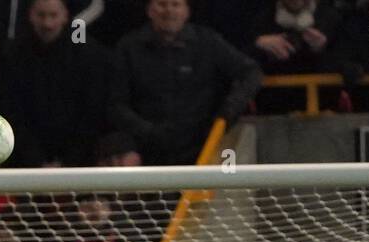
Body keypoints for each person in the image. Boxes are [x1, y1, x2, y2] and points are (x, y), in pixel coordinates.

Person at [108, 0, 262, 165]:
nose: (169, 11)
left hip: (202, 147)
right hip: (145, 151)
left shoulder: (208, 42)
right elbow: (116, 103)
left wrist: (228, 111)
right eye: (162, 4)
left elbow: (250, 72)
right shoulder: (128, 48)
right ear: (150, 11)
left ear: (187, 11)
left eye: (176, 4)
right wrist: (147, 132)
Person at [0, 0, 112, 168]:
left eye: (53, 15)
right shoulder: (13, 54)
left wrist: (68, 162)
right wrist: (36, 160)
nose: (47, 23)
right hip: (24, 161)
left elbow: (91, 113)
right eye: (41, 15)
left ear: (65, 16)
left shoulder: (87, 55)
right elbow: (11, 112)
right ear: (31, 16)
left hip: (78, 161)